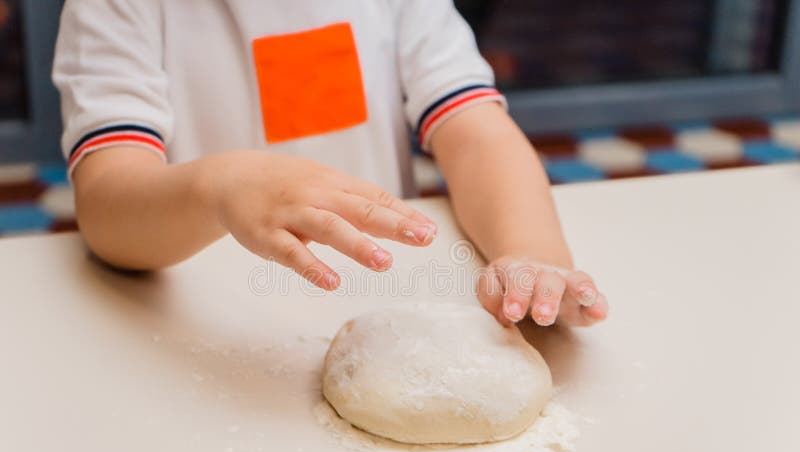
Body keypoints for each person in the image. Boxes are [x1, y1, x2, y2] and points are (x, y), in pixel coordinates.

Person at [53, 0, 608, 327]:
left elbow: (476, 134)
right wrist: (215, 188)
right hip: (205, 317)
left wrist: (531, 252)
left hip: (385, 292)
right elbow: (107, 206)